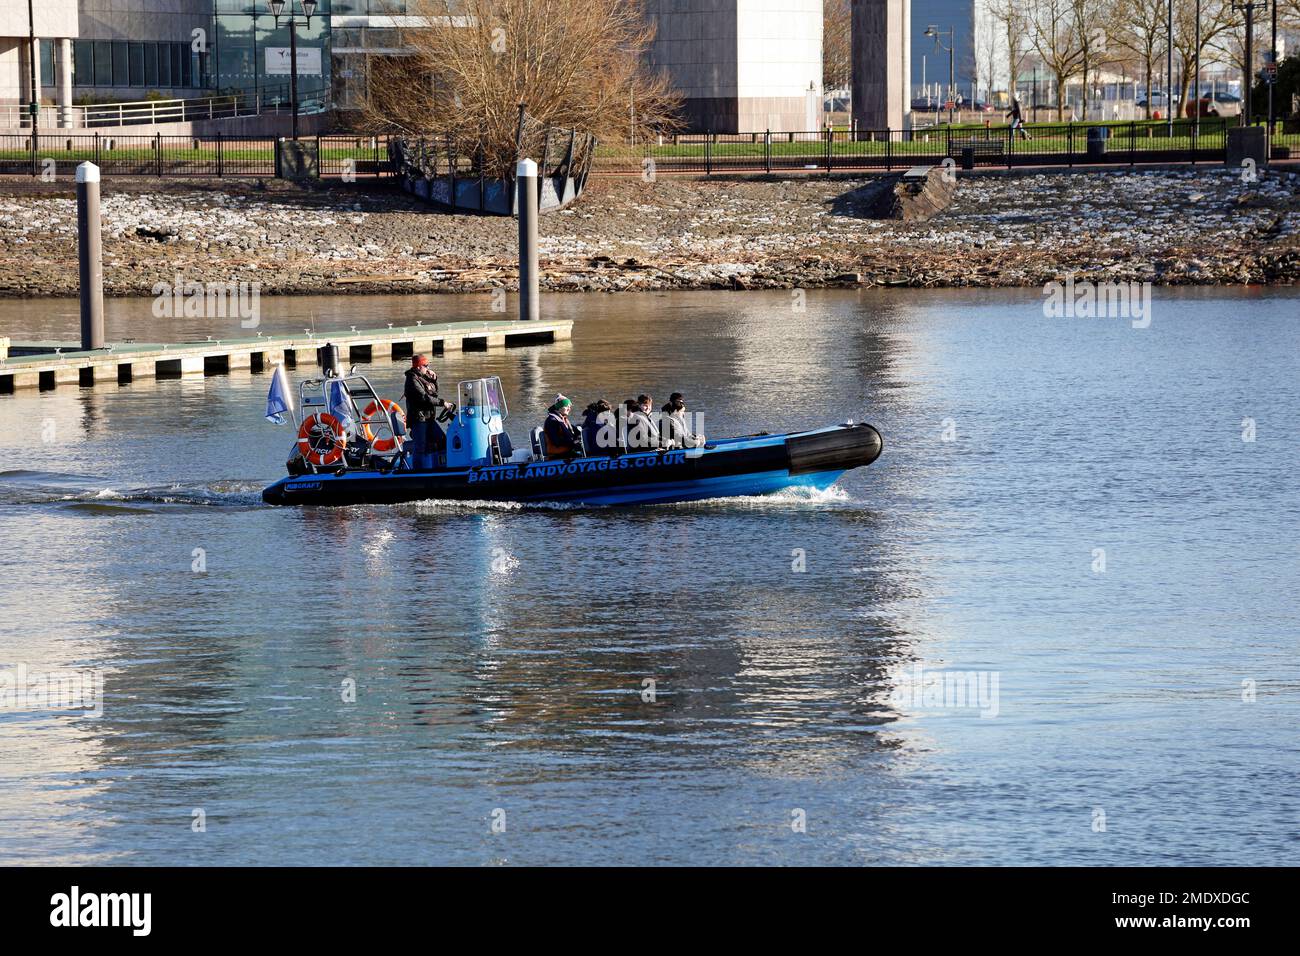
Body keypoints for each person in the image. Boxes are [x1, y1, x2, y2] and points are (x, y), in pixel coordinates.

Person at [403, 354, 452, 469]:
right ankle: (418, 473)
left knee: (442, 440)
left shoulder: (424, 377)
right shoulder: (412, 380)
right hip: (419, 419)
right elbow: (425, 398)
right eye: (426, 365)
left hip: (429, 418)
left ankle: (440, 466)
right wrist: (443, 403)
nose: (428, 368)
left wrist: (434, 380)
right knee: (420, 448)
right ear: (419, 367)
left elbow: (434, 394)